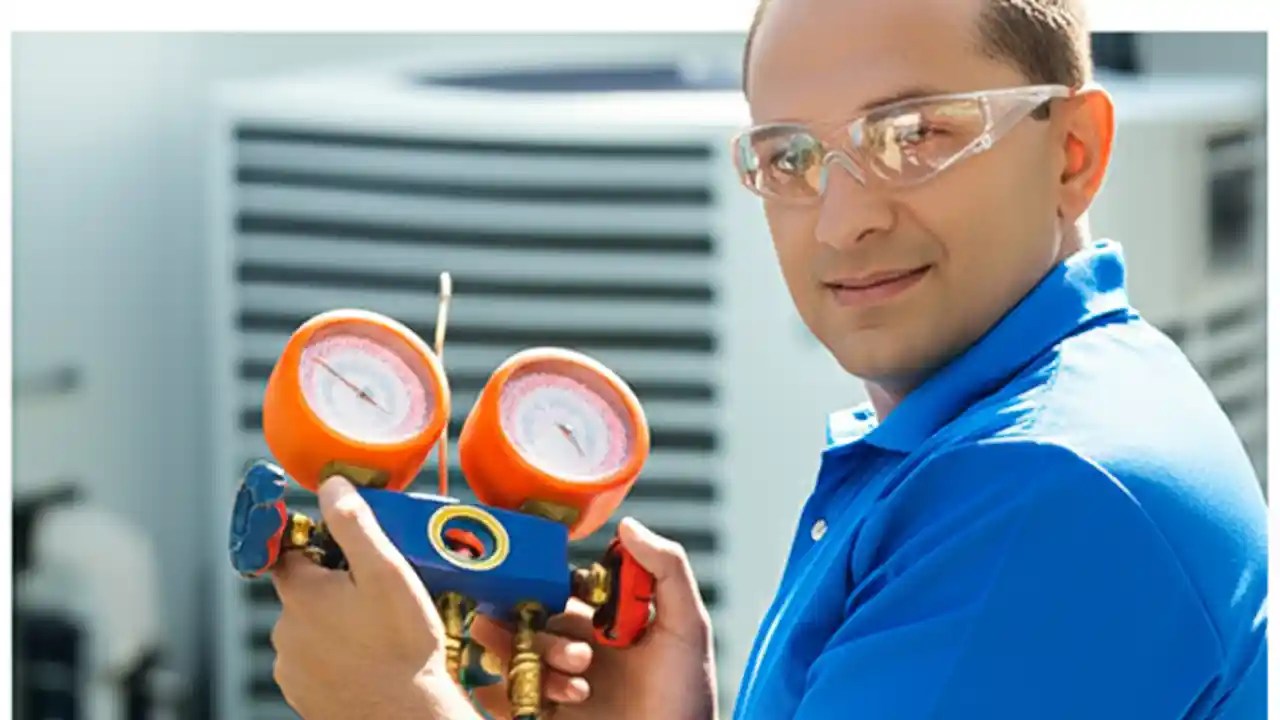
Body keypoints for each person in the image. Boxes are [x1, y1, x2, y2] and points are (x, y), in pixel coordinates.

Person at [267, 0, 1269, 717]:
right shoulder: (1005, 432)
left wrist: (395, 705)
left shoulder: (1040, 491)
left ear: (1072, 153)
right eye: (789, 157)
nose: (842, 221)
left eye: (913, 134)